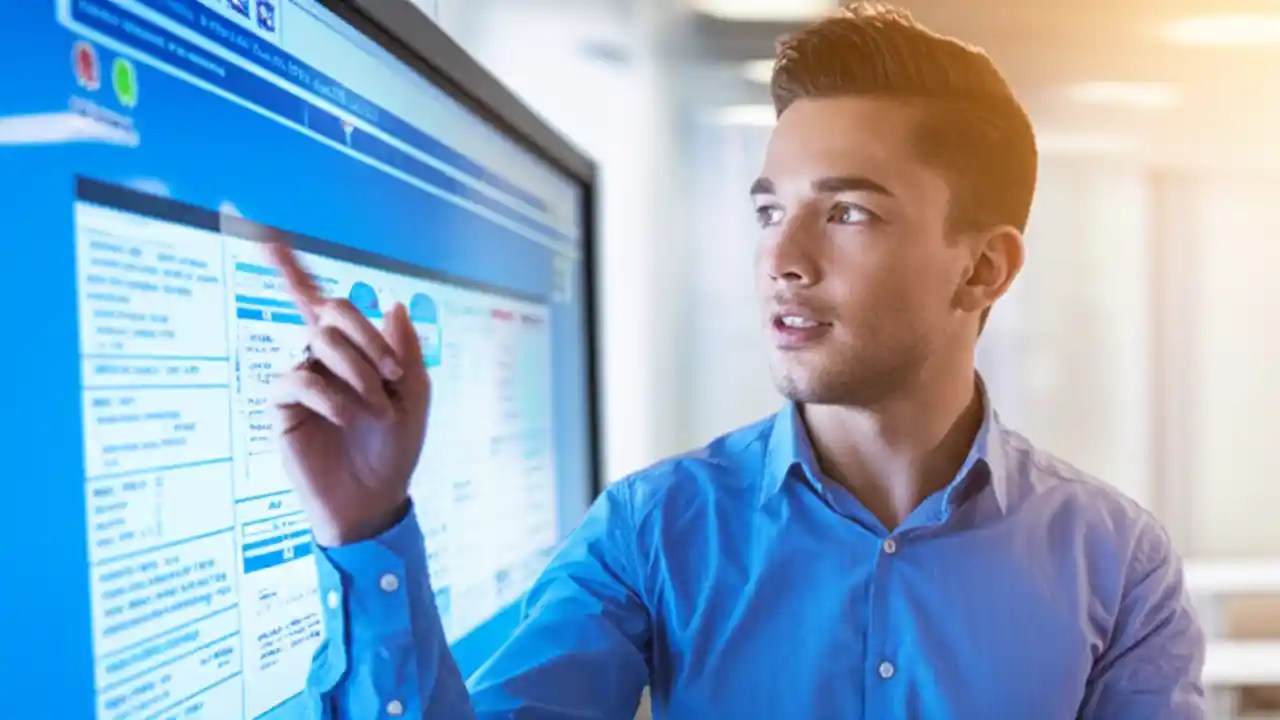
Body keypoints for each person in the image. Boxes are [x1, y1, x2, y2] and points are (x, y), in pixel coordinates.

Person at [267, 4, 1205, 718]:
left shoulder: (1117, 565)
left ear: (983, 267)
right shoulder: (651, 532)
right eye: (768, 209)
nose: (782, 259)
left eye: (848, 212)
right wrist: (367, 529)